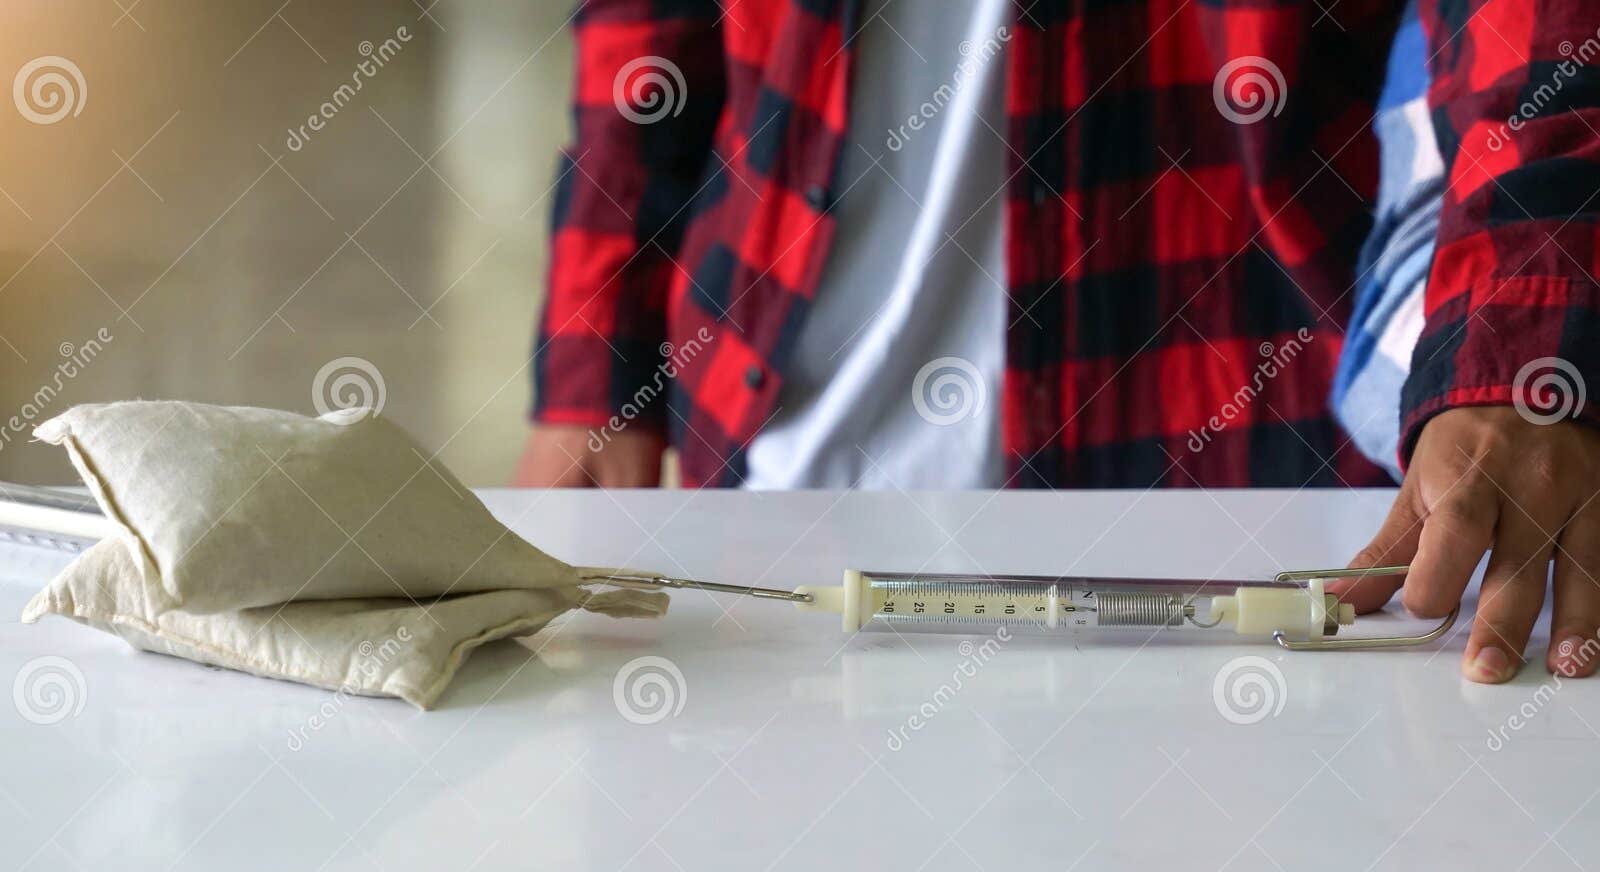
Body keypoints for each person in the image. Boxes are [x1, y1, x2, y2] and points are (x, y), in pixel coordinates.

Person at [515, 0, 1600, 686]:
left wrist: (1522, 343)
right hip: (773, 456)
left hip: (1238, 484)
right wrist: (591, 359)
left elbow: (1535, 33)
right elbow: (641, 34)